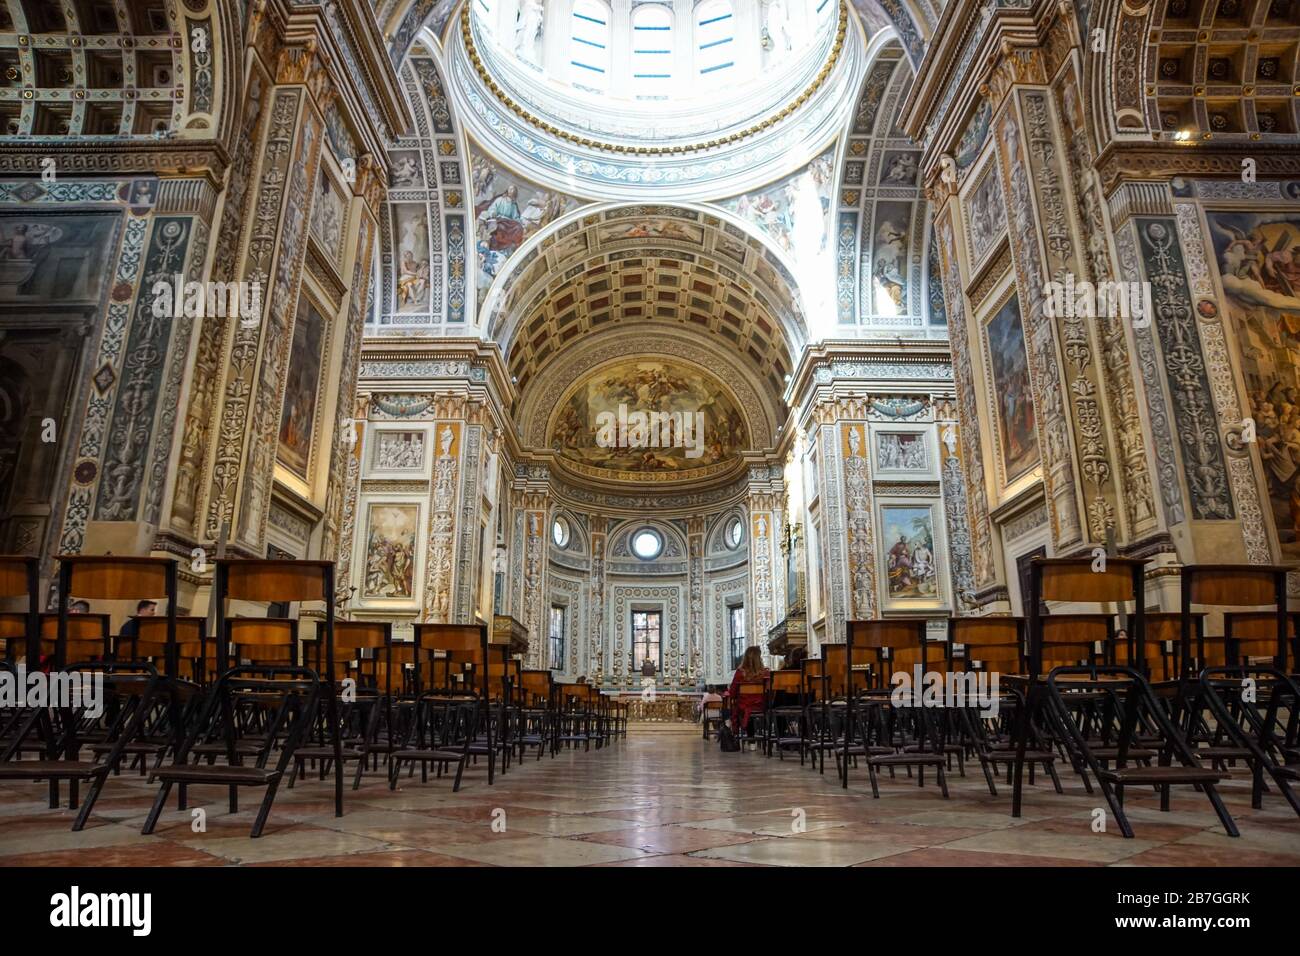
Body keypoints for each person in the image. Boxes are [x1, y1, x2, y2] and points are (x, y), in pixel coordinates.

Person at [727, 646, 770, 737]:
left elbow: (732, 692)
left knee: (739, 707)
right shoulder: (766, 673)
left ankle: (746, 735)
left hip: (744, 706)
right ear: (759, 658)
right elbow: (770, 691)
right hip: (761, 706)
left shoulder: (740, 673)